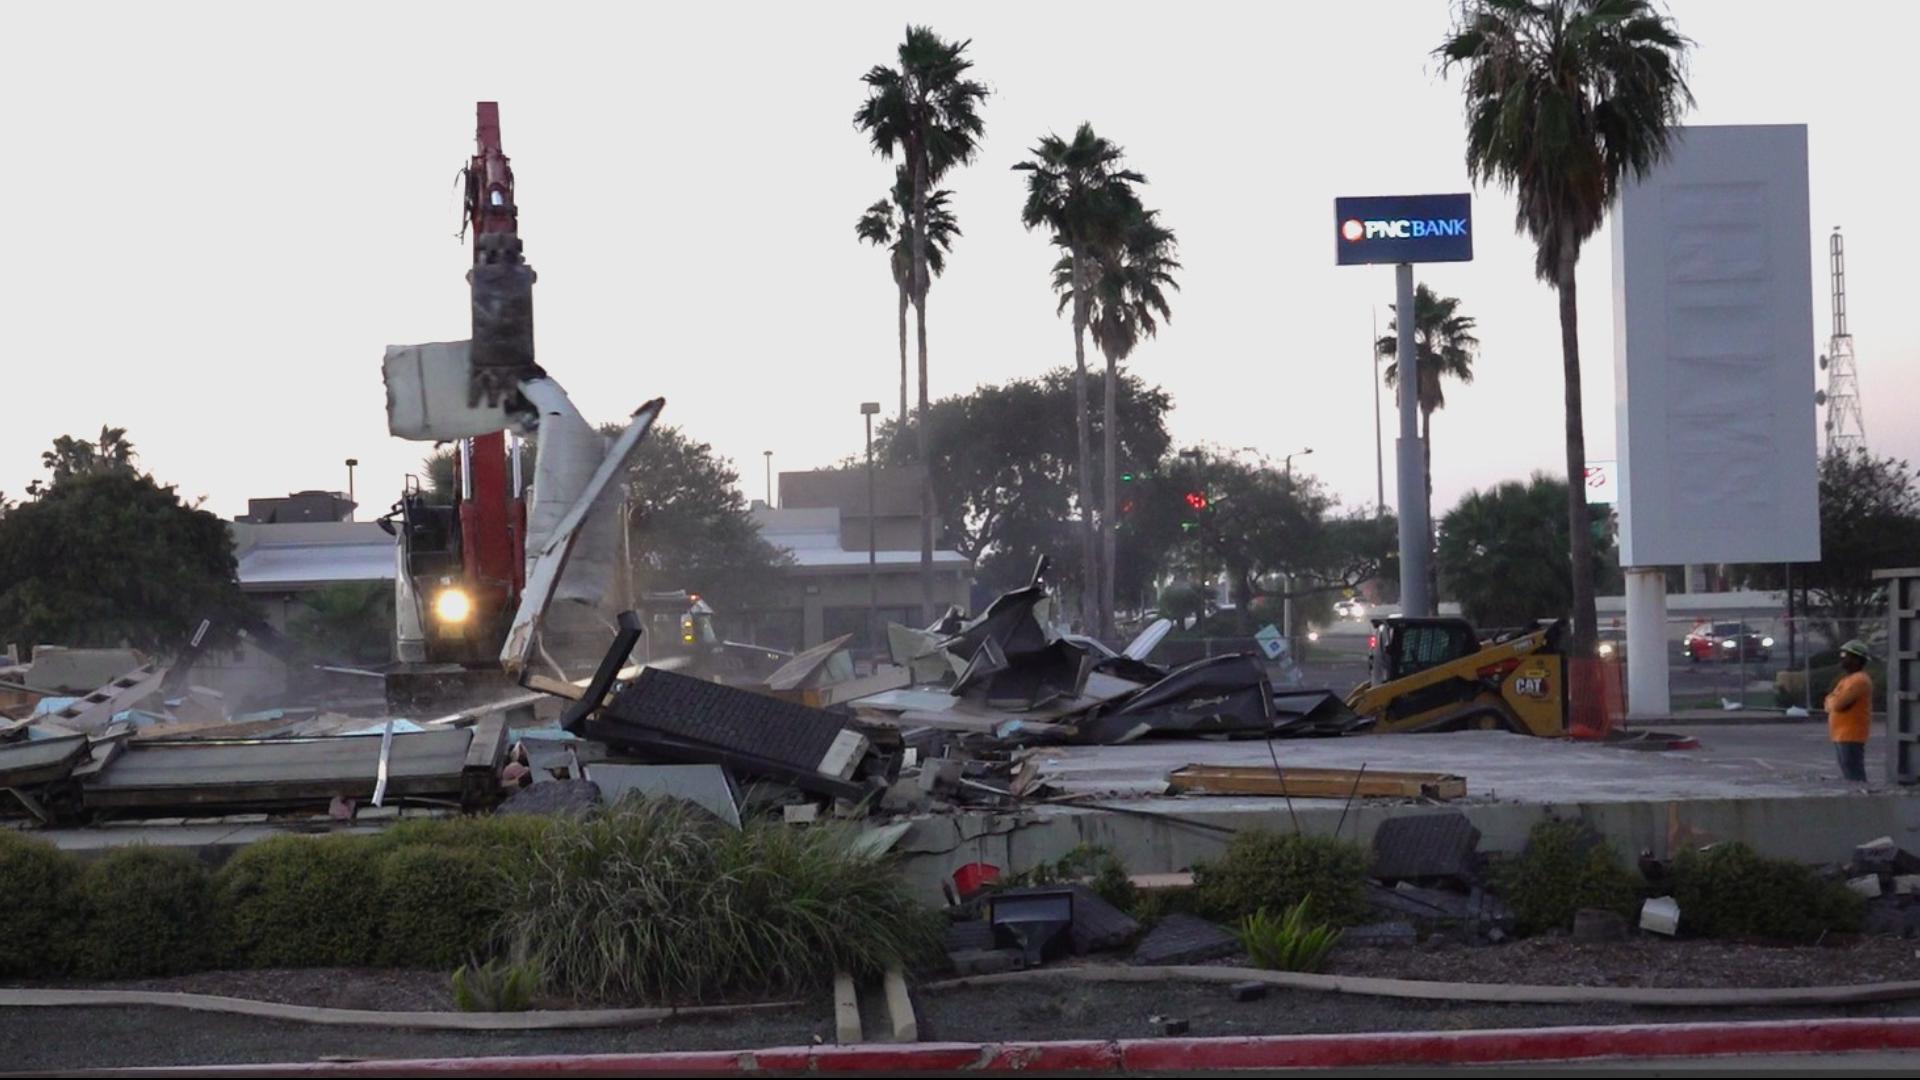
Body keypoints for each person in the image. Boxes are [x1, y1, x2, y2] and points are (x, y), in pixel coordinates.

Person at [1824, 639, 1874, 784]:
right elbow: (1828, 703)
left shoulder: (1859, 681)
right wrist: (1831, 701)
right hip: (1841, 734)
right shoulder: (1847, 680)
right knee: (1849, 774)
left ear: (1857, 659)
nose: (1842, 657)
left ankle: (1861, 802)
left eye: (1845, 654)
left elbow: (1837, 704)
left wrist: (1831, 700)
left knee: (1854, 776)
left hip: (1851, 734)